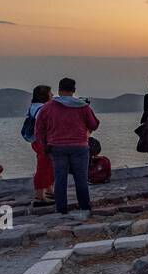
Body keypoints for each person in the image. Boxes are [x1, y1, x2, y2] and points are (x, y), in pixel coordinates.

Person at [34, 77, 100, 216]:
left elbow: (39, 129)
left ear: (59, 90)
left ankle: (61, 209)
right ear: (74, 90)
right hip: (79, 147)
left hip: (57, 147)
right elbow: (94, 124)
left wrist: (45, 146)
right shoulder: (83, 106)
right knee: (81, 178)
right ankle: (85, 207)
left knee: (60, 178)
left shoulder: (48, 107)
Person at [22, 85, 54, 205]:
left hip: (38, 141)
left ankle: (49, 190)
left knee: (49, 165)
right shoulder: (41, 108)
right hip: (42, 141)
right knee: (43, 166)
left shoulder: (35, 107)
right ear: (45, 95)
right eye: (50, 93)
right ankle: (39, 196)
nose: (52, 95)